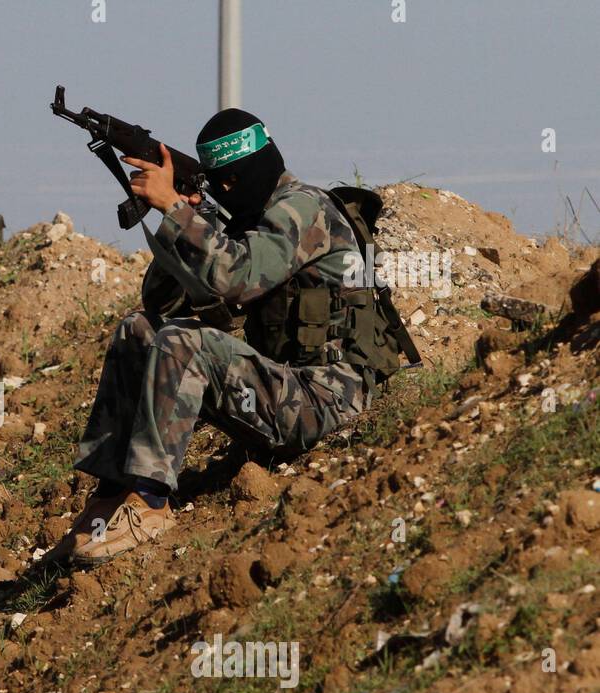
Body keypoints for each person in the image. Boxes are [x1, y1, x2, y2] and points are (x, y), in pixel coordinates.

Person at [57, 108, 408, 567]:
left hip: (326, 399)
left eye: (227, 183)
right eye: (215, 185)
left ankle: (150, 506)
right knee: (139, 331)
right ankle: (109, 500)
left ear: (250, 171)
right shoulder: (248, 218)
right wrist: (189, 215)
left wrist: (176, 210)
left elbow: (241, 277)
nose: (222, 192)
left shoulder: (303, 209)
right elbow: (161, 303)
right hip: (280, 391)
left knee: (185, 344)